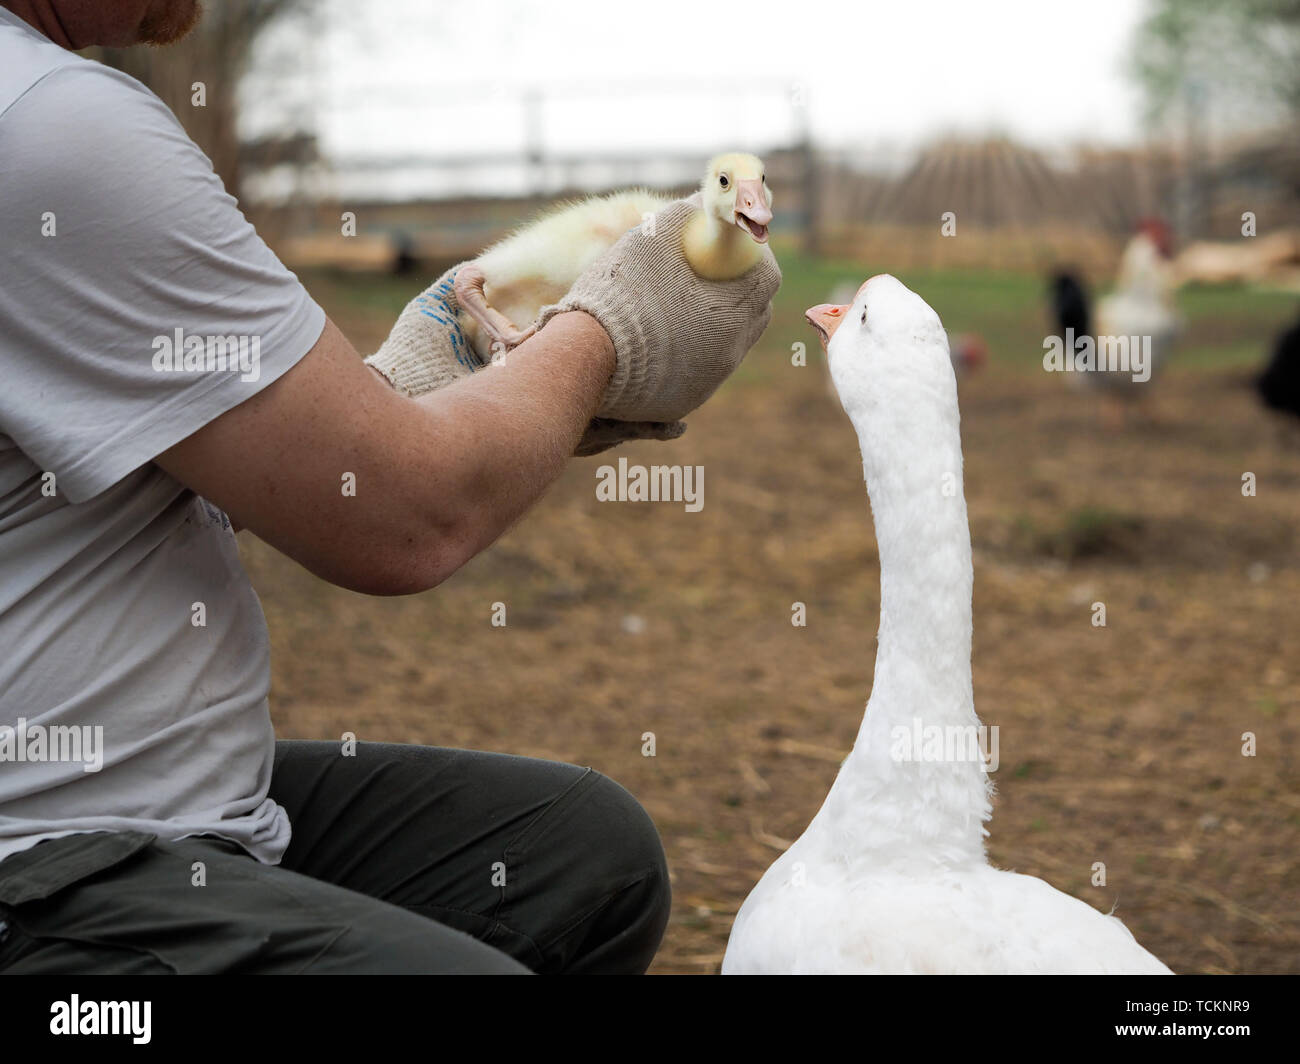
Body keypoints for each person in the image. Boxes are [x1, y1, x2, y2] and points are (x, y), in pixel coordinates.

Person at [0, 0, 780, 974]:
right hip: (41, 854)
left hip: (126, 787)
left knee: (580, 854)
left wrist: (407, 394)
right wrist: (610, 332)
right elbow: (406, 517)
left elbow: (141, 462)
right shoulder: (46, 126)